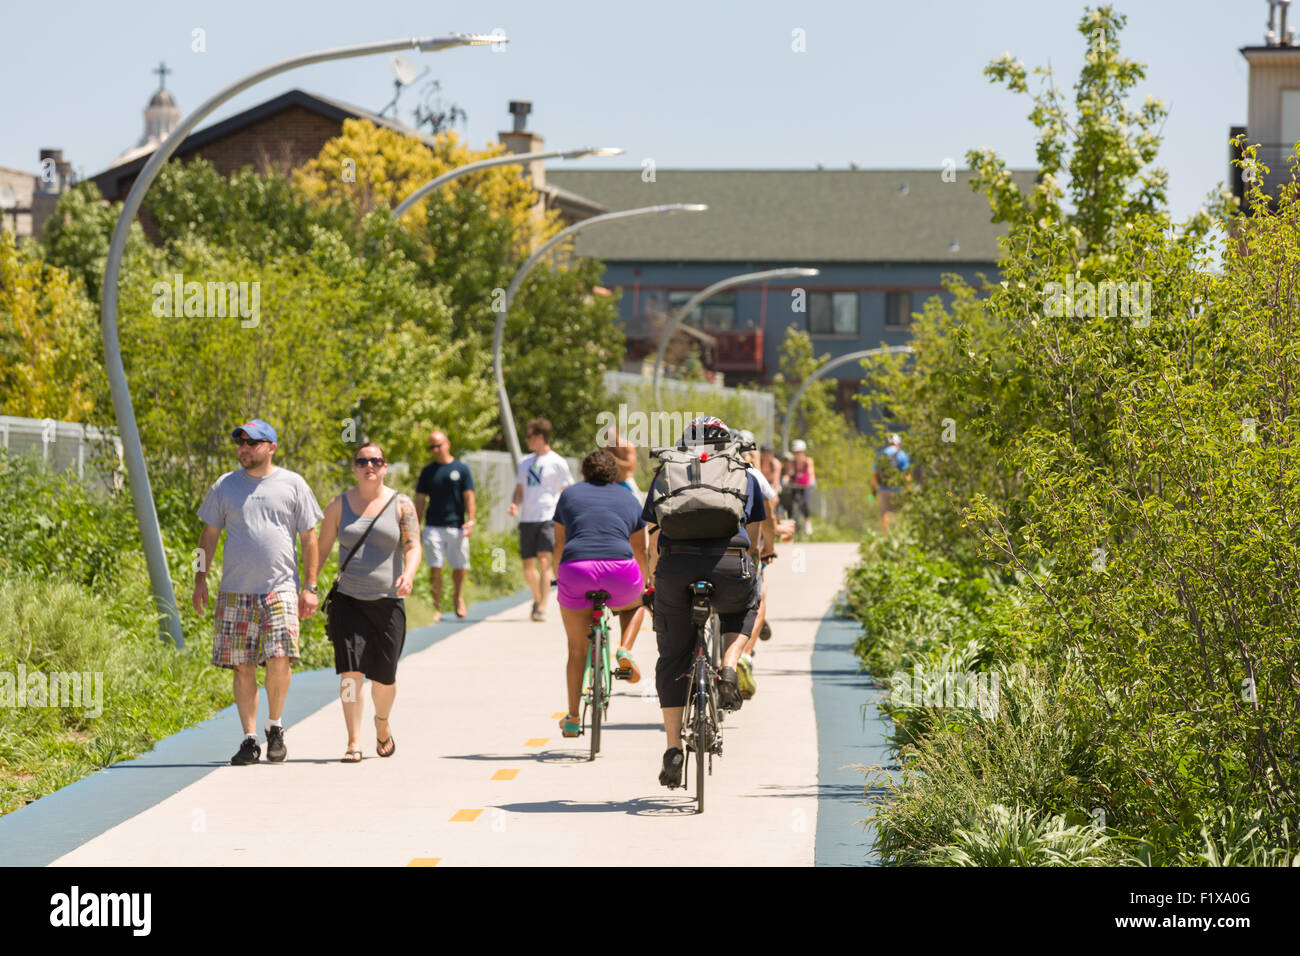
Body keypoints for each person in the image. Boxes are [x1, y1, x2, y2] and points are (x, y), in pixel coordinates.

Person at [643, 416, 766, 789]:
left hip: (676, 568)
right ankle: (729, 665)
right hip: (729, 563)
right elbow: (755, 537)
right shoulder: (742, 471)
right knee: (746, 603)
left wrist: (653, 581)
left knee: (672, 658)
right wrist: (751, 569)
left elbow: (653, 537)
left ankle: (671, 747)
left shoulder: (668, 471)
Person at [192, 418, 323, 766]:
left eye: (252, 442)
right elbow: (207, 537)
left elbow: (310, 539)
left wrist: (310, 587)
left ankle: (275, 727)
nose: (244, 448)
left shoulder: (293, 485)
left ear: (271, 447)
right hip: (235, 592)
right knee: (243, 666)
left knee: (280, 658)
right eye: (240, 442)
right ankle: (249, 739)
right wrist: (199, 579)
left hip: (280, 589)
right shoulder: (224, 486)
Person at [316, 441, 421, 762]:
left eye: (376, 461)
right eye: (362, 461)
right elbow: (320, 550)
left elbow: (412, 545)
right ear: (355, 468)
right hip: (348, 600)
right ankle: (353, 741)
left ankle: (382, 723)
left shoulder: (401, 504)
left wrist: (410, 574)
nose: (369, 466)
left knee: (384, 677)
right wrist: (307, 586)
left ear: (385, 466)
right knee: (351, 673)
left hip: (388, 603)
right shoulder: (338, 505)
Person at [551, 448, 650, 737]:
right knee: (636, 604)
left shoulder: (569, 496)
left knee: (576, 648)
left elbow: (558, 544)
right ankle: (624, 649)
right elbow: (640, 549)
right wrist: (643, 584)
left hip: (577, 570)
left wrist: (561, 577)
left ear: (584, 471)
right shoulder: (629, 498)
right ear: (615, 473)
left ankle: (571, 718)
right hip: (620, 571)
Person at [508, 418, 573, 622]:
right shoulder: (525, 462)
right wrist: (514, 504)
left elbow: (568, 490)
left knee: (545, 561)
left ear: (539, 437)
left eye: (529, 437)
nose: (527, 440)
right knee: (528, 567)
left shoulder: (558, 462)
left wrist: (567, 513)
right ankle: (537, 597)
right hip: (528, 518)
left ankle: (543, 606)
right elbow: (519, 490)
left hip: (548, 517)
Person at [734, 431, 779, 700]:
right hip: (741, 551)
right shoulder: (752, 474)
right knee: (758, 599)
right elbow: (769, 517)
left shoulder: (703, 467)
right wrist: (767, 550)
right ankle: (744, 657)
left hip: (700, 553)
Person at [414, 430, 476, 620]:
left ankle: (457, 597)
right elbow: (420, 500)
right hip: (433, 526)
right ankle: (436, 607)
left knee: (459, 566)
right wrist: (415, 526)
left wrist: (471, 520)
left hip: (457, 526)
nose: (435, 449)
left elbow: (469, 496)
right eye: (432, 446)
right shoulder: (428, 471)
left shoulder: (462, 469)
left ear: (447, 444)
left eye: (438, 445)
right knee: (436, 567)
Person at [872, 433, 911, 535]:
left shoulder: (881, 454)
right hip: (897, 489)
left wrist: (872, 492)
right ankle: (897, 537)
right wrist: (909, 490)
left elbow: (875, 475)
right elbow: (907, 475)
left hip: (883, 489)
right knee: (898, 513)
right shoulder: (901, 454)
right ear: (899, 443)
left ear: (888, 443)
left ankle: (886, 538)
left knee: (885, 514)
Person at [790, 438, 817, 536]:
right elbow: (789, 473)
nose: (798, 454)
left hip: (806, 486)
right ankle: (792, 523)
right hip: (796, 486)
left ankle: (807, 522)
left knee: (805, 503)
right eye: (796, 452)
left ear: (803, 451)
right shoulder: (793, 462)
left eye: (799, 452)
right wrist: (785, 480)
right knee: (792, 502)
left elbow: (811, 472)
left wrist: (812, 482)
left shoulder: (808, 461)